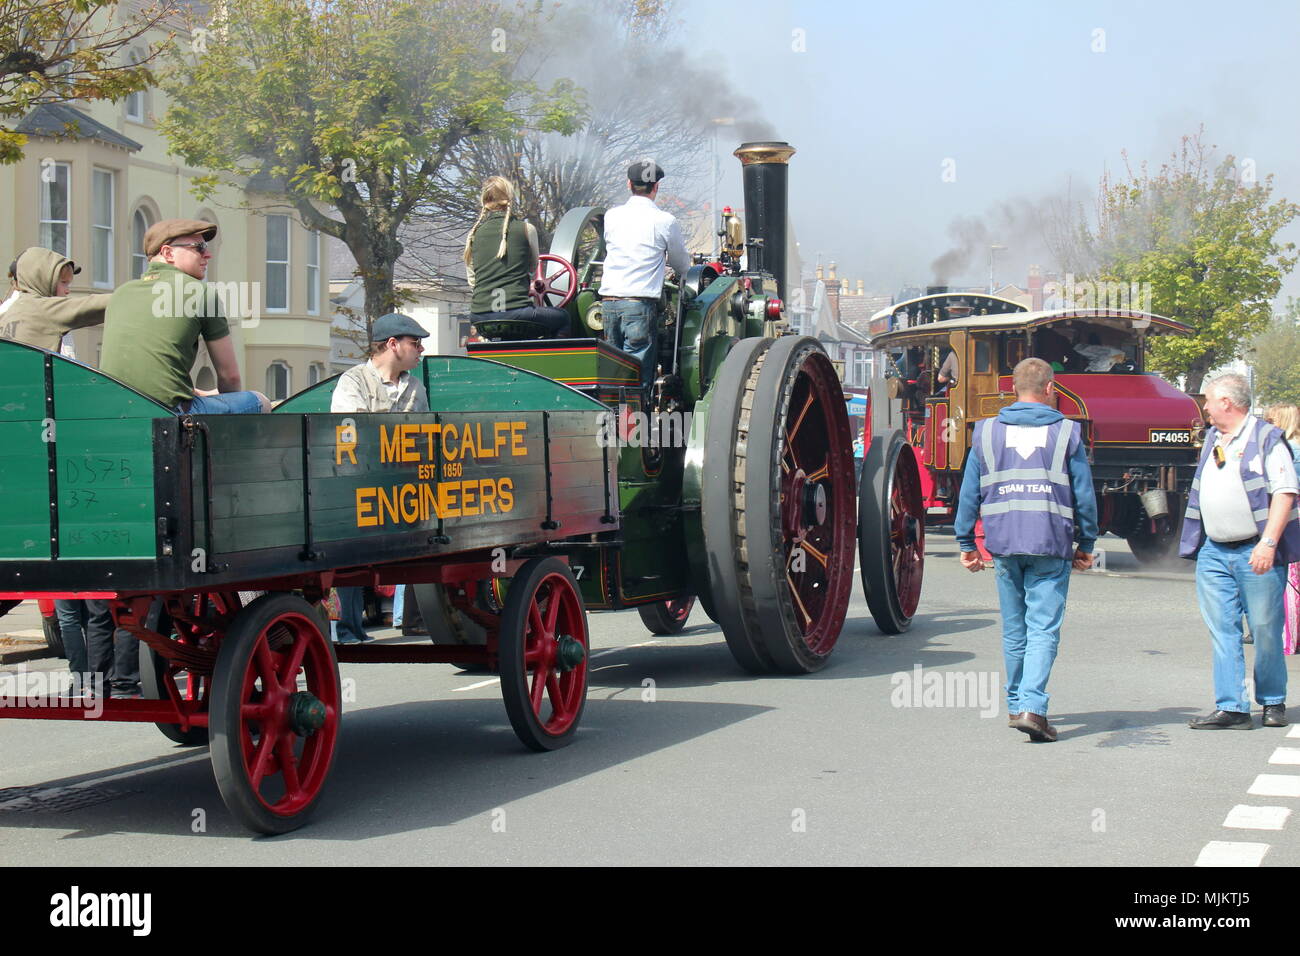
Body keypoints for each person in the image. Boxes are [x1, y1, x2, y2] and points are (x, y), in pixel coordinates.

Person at [954, 357, 1098, 742]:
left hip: (1003, 541)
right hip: (1050, 540)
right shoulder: (1067, 432)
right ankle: (1034, 708)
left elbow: (969, 492)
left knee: (1015, 628)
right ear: (1050, 388)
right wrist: (1087, 543)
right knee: (1043, 628)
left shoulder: (985, 433)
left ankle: (1017, 703)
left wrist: (968, 543)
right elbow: (1084, 493)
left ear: (1013, 389)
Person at [1180, 374, 1300, 729]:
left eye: (1209, 401)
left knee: (1264, 628)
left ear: (1227, 404)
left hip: (1255, 550)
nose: (1204, 407)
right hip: (1214, 551)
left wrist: (1268, 543)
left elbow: (1285, 492)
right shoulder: (1214, 438)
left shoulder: (1267, 440)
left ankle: (1273, 701)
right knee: (1223, 630)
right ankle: (1232, 706)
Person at [330, 313, 431, 644]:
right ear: (393, 344)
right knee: (349, 553)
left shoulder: (414, 386)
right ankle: (348, 629)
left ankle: (413, 616)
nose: (421, 350)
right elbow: (354, 433)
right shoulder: (353, 381)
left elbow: (423, 437)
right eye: (416, 343)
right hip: (359, 484)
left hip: (401, 485)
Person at [100, 218, 269, 414]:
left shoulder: (120, 293)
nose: (208, 254)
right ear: (168, 253)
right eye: (199, 247)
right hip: (169, 413)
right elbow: (230, 378)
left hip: (115, 412)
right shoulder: (201, 293)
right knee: (259, 401)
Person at [599, 160, 690, 392]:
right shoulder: (665, 221)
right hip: (639, 305)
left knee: (615, 372)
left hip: (608, 304)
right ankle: (637, 423)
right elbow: (681, 265)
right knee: (637, 376)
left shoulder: (611, 216)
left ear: (629, 184)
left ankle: (615, 421)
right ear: (656, 187)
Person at [464, 177, 569, 340]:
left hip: (480, 317)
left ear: (485, 200)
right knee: (563, 318)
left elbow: (473, 281)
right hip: (518, 314)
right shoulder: (526, 229)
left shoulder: (473, 235)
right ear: (510, 198)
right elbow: (533, 267)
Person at [0, 247, 110, 352]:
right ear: (41, 280)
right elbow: (96, 305)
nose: (67, 291)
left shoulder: (8, 312)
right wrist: (125, 294)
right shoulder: (42, 308)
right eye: (63, 283)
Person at [1264, 404, 1300, 655]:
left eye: (1270, 419)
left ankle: (1289, 635)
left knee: (1289, 579)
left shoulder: (1287, 450)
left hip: (1290, 518)